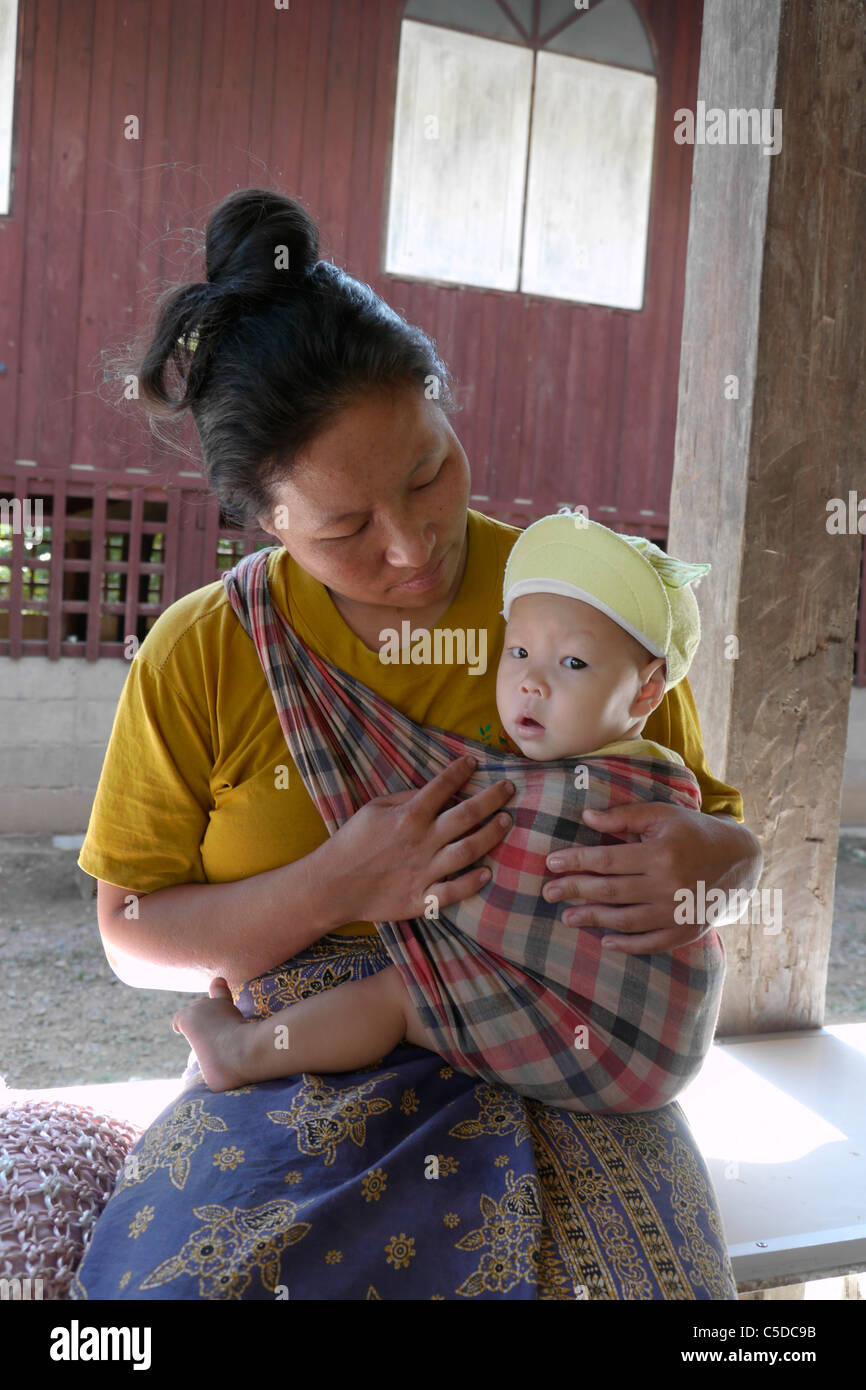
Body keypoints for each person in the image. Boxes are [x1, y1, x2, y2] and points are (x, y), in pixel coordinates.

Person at [70, 188, 762, 1300]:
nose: (411, 545)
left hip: (570, 1047)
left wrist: (712, 865)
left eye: (429, 470)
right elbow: (132, 932)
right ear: (265, 518)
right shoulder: (203, 652)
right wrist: (337, 881)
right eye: (345, 527)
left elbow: (711, 834)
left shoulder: (577, 597)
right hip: (306, 1051)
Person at [171, 513, 720, 1100]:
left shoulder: (637, 787)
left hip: (610, 1036)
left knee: (402, 999)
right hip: (655, 1055)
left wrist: (731, 859)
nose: (532, 683)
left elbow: (681, 864)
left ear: (646, 691)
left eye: (574, 664)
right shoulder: (197, 643)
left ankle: (240, 1052)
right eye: (520, 652)